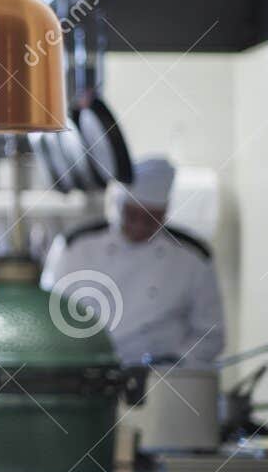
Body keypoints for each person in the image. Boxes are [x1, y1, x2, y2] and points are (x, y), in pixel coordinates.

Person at [40, 156, 225, 365]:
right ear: (120, 207)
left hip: (159, 381)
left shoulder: (192, 257)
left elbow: (211, 333)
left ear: (164, 214)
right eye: (132, 215)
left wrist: (176, 361)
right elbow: (48, 319)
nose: (139, 226)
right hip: (88, 372)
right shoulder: (75, 246)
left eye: (150, 219)